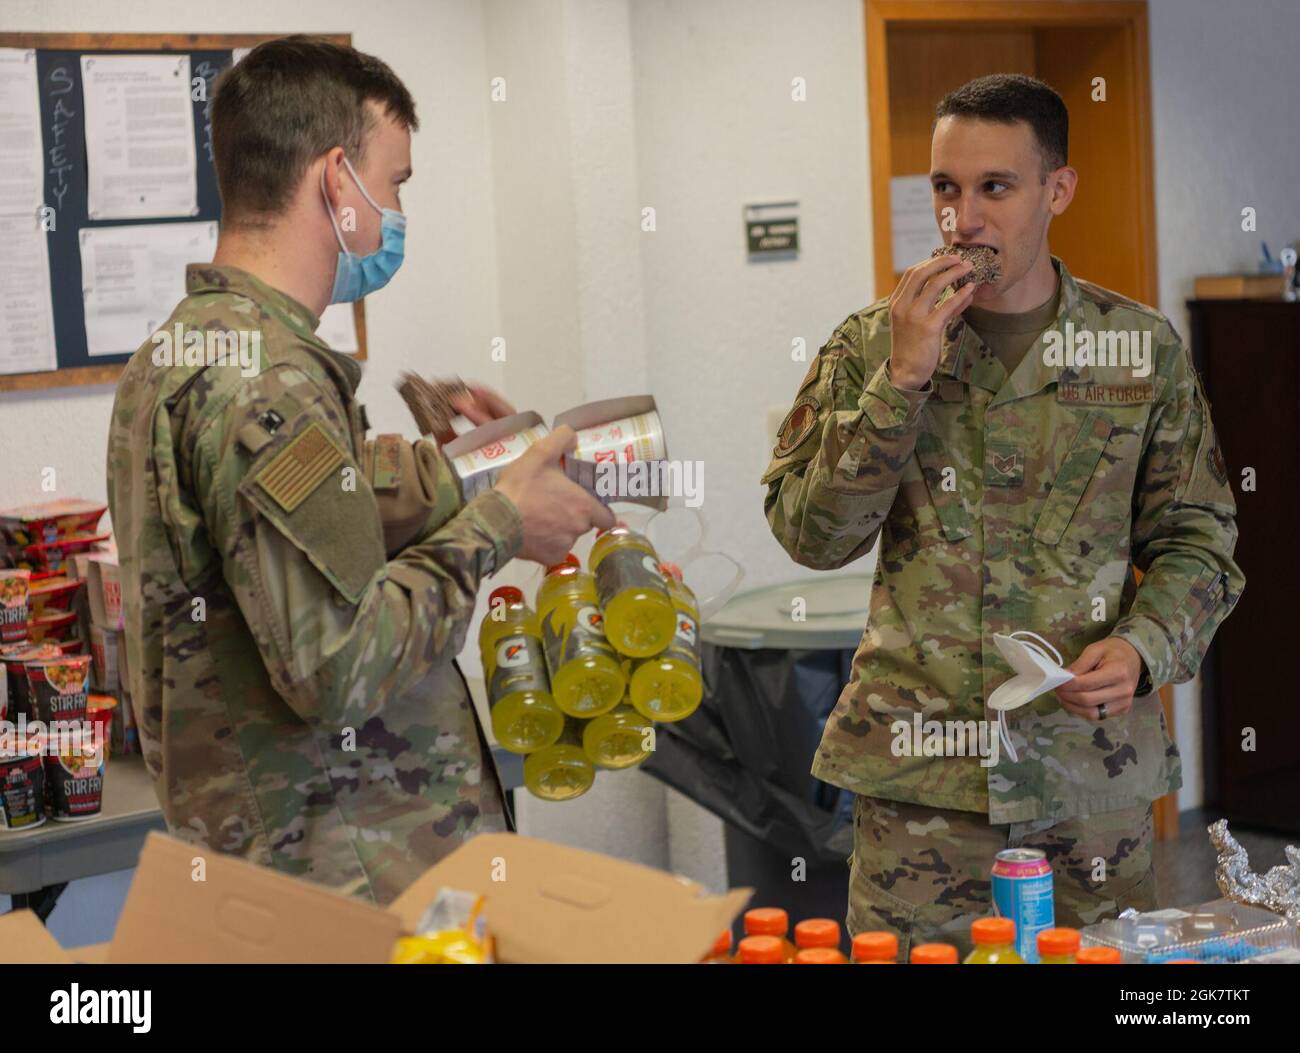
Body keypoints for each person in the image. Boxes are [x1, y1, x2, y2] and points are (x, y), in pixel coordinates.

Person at [106, 36, 612, 905]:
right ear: (339, 182)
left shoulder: (182, 352)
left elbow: (304, 520)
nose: (398, 210)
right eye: (397, 182)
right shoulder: (269, 381)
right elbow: (336, 666)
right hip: (349, 884)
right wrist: (502, 528)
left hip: (275, 870)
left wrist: (469, 470)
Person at [760, 74, 1244, 958]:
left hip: (1089, 779)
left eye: (995, 188)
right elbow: (811, 534)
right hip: (921, 781)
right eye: (945, 189)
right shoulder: (872, 344)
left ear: (1056, 190)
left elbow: (1200, 541)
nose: (964, 219)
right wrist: (900, 381)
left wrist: (1144, 648)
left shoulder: (1137, 351)